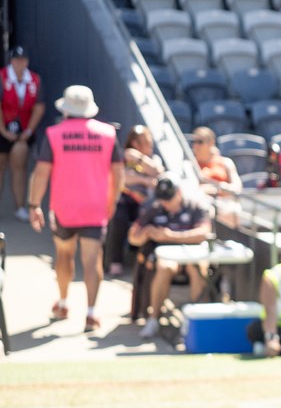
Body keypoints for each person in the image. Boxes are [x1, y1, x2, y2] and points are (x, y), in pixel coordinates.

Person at [25, 85, 122, 332]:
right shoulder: (108, 133)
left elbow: (41, 173)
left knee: (64, 255)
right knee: (92, 260)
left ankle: (64, 302)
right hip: (95, 207)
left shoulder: (54, 133)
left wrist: (34, 204)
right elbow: (119, 173)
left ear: (66, 109)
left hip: (64, 208)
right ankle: (91, 313)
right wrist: (111, 202)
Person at [129, 174, 212, 338]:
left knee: (197, 268)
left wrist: (170, 236)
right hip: (166, 256)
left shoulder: (195, 206)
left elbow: (204, 233)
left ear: (179, 193)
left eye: (169, 198)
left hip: (192, 254)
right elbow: (133, 237)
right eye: (162, 199)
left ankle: (196, 321)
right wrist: (145, 234)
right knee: (165, 267)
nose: (165, 203)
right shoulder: (153, 209)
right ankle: (154, 319)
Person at [107, 124, 163, 275]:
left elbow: (157, 171)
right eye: (145, 141)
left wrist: (139, 160)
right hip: (125, 199)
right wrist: (144, 179)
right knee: (119, 216)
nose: (149, 144)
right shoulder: (124, 157)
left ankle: (145, 261)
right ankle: (115, 261)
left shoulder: (153, 158)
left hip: (145, 203)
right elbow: (123, 178)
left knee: (150, 217)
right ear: (134, 143)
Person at [1, 45, 45, 222]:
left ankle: (20, 206)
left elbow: (39, 107)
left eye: (23, 60)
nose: (20, 63)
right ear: (11, 60)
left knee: (19, 165)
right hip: (3, 130)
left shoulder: (34, 80)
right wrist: (3, 130)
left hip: (23, 131)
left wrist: (28, 131)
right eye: (17, 60)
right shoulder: (2, 77)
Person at [189, 126, 242, 200]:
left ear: (211, 143)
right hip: (201, 205)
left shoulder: (226, 162)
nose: (195, 145)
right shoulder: (190, 165)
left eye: (200, 142)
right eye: (193, 142)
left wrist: (217, 189)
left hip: (225, 204)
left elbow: (237, 188)